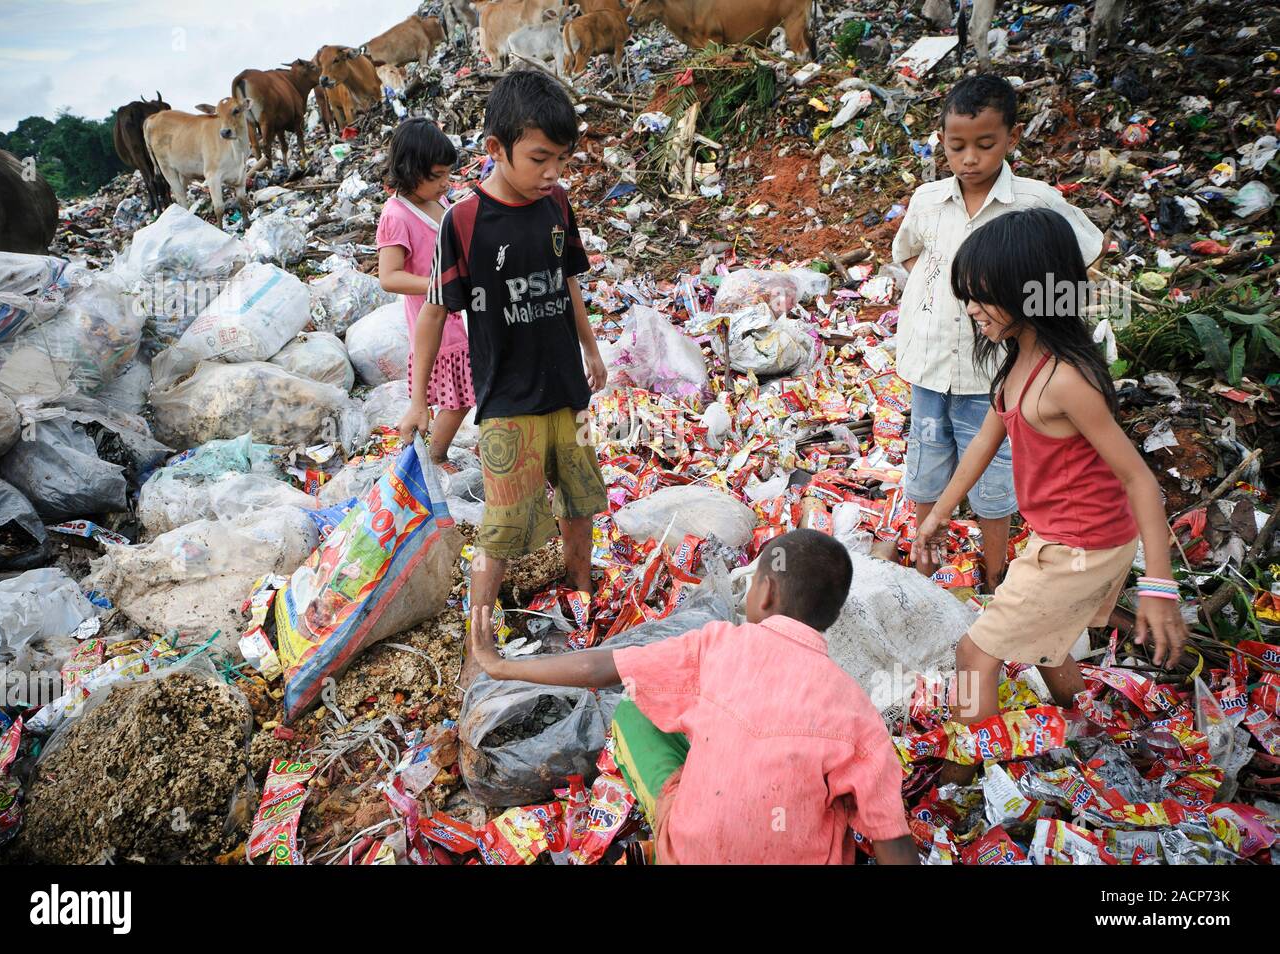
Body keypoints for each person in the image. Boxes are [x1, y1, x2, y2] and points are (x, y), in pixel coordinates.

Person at [912, 208, 1188, 785]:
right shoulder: (1019, 363)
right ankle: (1079, 721)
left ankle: (967, 776)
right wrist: (938, 514)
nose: (971, 310)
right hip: (1067, 537)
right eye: (967, 296)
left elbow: (1141, 480)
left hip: (1079, 546)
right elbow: (984, 446)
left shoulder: (1066, 379)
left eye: (983, 297)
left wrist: (1160, 587)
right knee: (1049, 636)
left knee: (973, 656)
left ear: (1030, 293)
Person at [469, 529, 920, 865]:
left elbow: (600, 667)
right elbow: (892, 838)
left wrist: (500, 665)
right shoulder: (857, 711)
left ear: (764, 592)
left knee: (632, 710)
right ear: (833, 615)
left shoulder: (717, 645)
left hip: (689, 853)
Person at [407, 70, 608, 627]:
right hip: (506, 401)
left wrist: (591, 350)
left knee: (581, 498)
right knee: (502, 523)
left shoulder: (557, 205)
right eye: (540, 157)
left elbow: (568, 282)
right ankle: (479, 635)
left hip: (569, 391)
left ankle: (582, 593)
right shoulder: (464, 221)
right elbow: (432, 312)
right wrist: (417, 399)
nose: (552, 172)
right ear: (496, 148)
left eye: (562, 160)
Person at [892, 73, 1105, 592]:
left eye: (985, 145)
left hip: (993, 372)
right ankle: (926, 562)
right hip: (927, 366)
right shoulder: (928, 200)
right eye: (957, 146)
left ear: (1011, 138)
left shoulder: (1034, 203)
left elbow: (1084, 255)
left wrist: (1038, 321)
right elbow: (909, 254)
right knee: (926, 462)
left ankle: (993, 570)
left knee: (993, 476)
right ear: (940, 140)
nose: (970, 159)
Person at [380, 119, 474, 465]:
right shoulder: (396, 214)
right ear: (410, 170)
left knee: (458, 393)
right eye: (436, 176)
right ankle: (434, 455)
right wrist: (440, 284)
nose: (444, 183)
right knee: (460, 398)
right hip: (433, 319)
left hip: (457, 312)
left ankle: (426, 449)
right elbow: (389, 277)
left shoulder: (439, 201)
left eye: (446, 175)